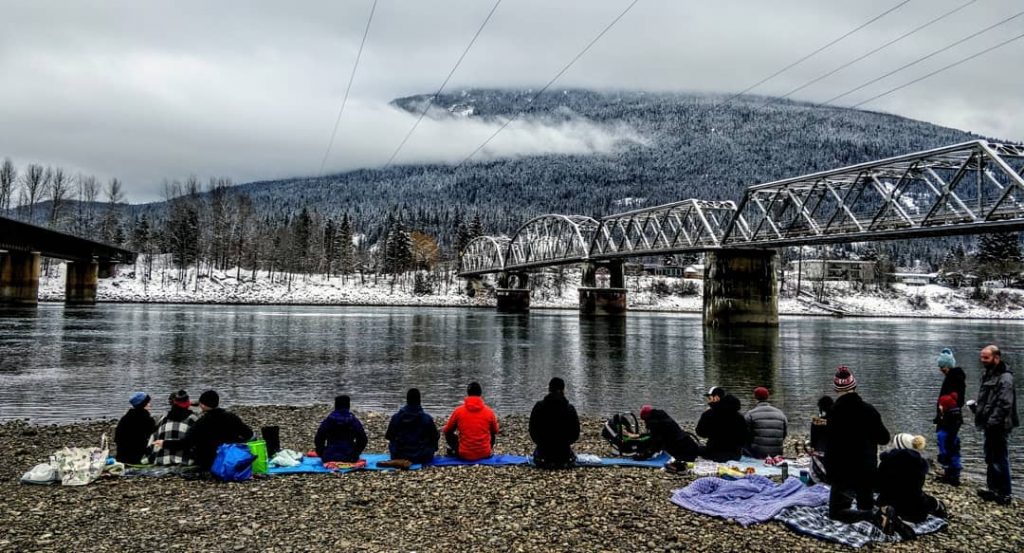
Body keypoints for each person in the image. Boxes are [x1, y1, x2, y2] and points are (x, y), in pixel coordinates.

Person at [826, 366, 891, 524]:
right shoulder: (869, 410)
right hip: (867, 469)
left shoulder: (834, 412)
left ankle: (873, 516)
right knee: (865, 505)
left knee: (836, 513)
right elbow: (884, 438)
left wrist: (829, 470)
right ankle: (875, 514)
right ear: (854, 386)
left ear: (836, 389)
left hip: (843, 470)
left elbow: (831, 445)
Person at [154, 390, 254, 471]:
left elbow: (185, 443)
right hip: (232, 458)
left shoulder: (201, 423)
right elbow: (250, 435)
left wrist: (164, 443)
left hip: (209, 462)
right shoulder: (232, 417)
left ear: (202, 405)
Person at [973, 344, 1018, 504]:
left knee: (999, 458)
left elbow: (1004, 404)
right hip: (990, 424)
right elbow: (988, 400)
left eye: (986, 357)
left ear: (996, 358)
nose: (982, 360)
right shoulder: (989, 374)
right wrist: (977, 410)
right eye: (982, 357)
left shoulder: (1005, 378)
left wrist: (991, 421)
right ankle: (993, 489)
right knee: (990, 457)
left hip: (998, 426)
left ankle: (1005, 494)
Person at [877, 433, 947, 525]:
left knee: (883, 499)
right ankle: (938, 507)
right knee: (924, 500)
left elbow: (878, 484)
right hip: (913, 505)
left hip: (888, 498)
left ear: (897, 445)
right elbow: (917, 487)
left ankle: (887, 511)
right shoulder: (919, 463)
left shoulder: (886, 461)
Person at [529, 377, 581, 468]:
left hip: (543, 454)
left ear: (549, 389)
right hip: (563, 454)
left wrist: (540, 442)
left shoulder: (539, 406)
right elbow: (576, 433)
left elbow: (532, 429)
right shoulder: (569, 409)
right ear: (563, 390)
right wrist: (565, 443)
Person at [442, 382, 499, 461]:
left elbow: (447, 430)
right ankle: (485, 449)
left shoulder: (458, 411)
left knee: (448, 433)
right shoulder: (489, 412)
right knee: (492, 432)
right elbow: (496, 430)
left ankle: (456, 449)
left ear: (468, 393)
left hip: (464, 454)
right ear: (480, 393)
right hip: (484, 453)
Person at [385, 388, 440, 464]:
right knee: (434, 436)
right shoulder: (426, 418)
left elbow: (388, 436)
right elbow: (435, 437)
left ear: (407, 400)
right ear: (419, 401)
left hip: (399, 455)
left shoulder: (396, 417)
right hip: (421, 456)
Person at [638, 405, 699, 472]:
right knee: (690, 459)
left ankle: (682, 466)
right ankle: (687, 465)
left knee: (674, 465)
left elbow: (656, 442)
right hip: (688, 442)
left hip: (682, 448)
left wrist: (645, 455)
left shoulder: (654, 423)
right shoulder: (662, 416)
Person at [695, 386, 747, 462]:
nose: (708, 401)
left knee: (694, 448)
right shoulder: (739, 416)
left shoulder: (708, 414)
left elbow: (700, 433)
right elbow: (744, 438)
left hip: (714, 454)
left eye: (710, 398)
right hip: (735, 455)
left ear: (716, 398)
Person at [150, 390, 200, 466]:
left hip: (162, 460)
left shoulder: (163, 419)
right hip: (185, 461)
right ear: (187, 404)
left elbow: (152, 441)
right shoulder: (194, 419)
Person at [314, 395, 368, 463]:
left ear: (335, 405)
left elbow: (318, 438)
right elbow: (363, 440)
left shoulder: (329, 420)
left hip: (329, 457)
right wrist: (356, 452)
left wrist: (322, 453)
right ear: (348, 405)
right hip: (350, 457)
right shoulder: (353, 420)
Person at [744, 386, 788, 459]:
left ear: (755, 398)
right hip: (777, 453)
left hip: (756, 453)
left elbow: (745, 435)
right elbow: (784, 434)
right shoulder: (781, 413)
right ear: (768, 397)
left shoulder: (750, 414)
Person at [114, 392, 156, 464]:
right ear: (143, 404)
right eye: (148, 402)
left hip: (122, 456)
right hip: (138, 457)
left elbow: (117, 439)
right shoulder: (147, 419)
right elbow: (152, 436)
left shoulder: (124, 418)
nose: (150, 405)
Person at [935, 392, 962, 486]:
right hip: (949, 438)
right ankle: (950, 474)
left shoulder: (948, 417)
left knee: (949, 455)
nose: (939, 407)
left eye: (941, 405)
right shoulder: (953, 415)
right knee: (951, 455)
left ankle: (953, 476)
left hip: (947, 438)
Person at [935, 347, 966, 420]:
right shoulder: (951, 377)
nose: (940, 369)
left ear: (949, 366)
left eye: (942, 367)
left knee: (942, 432)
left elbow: (959, 400)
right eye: (940, 367)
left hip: (949, 418)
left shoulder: (954, 378)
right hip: (946, 417)